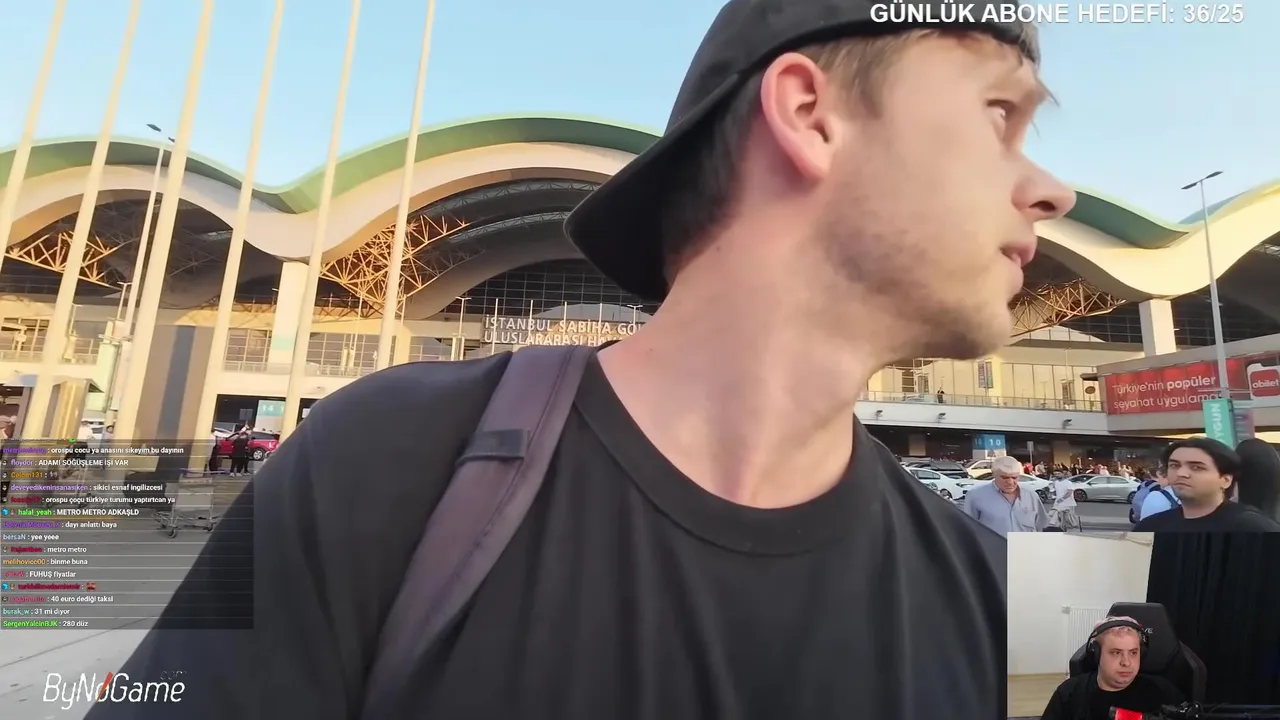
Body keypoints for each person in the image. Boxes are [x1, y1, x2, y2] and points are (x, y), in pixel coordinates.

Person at [90, 3, 1074, 718]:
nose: (1050, 191)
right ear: (811, 115)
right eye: (999, 114)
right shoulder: (393, 465)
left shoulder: (979, 590)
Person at [1040, 617, 1183, 720]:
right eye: (1116, 653)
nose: (1126, 662)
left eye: (1133, 653)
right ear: (1096, 655)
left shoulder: (1163, 693)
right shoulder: (1069, 693)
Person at [1134, 437, 1280, 531]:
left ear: (1226, 480)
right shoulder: (1150, 526)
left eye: (1196, 467)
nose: (1181, 473)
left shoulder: (1254, 527)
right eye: (1174, 465)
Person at [965, 455, 1049, 535]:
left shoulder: (1031, 496)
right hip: (993, 545)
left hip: (1025, 545)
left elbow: (1041, 527)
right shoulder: (975, 496)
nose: (1010, 482)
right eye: (1004, 477)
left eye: (1014, 477)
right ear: (994, 474)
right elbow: (968, 530)